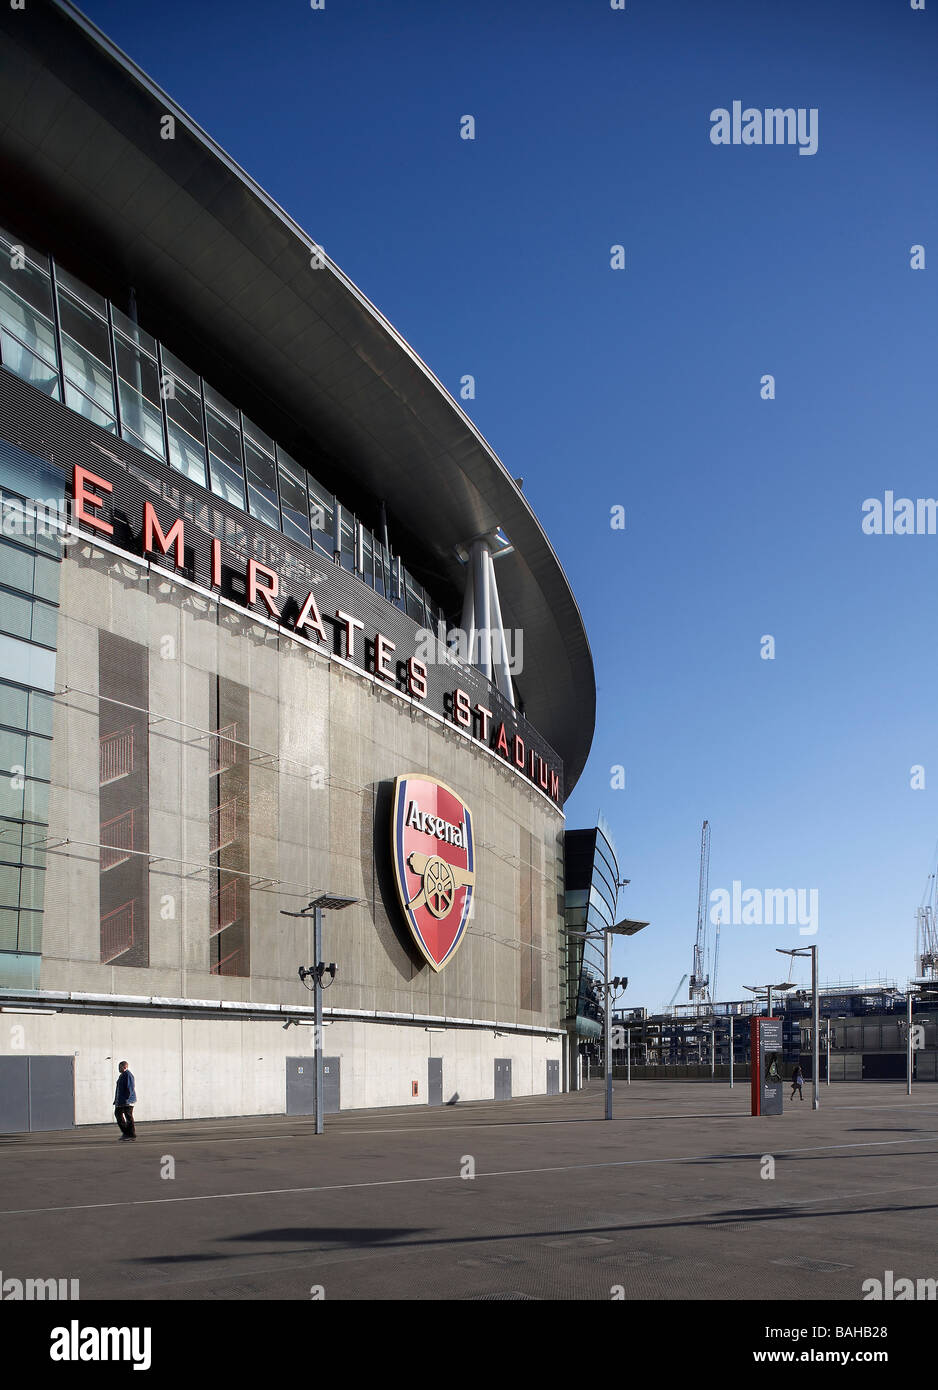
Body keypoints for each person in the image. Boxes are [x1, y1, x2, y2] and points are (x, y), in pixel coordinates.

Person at [114, 1060, 137, 1140]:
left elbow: (130, 1088)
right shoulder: (122, 1075)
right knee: (118, 1114)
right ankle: (126, 1133)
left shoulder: (128, 1075)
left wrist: (127, 1099)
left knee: (128, 1117)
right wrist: (116, 1100)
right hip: (121, 1101)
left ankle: (131, 1135)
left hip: (127, 1101)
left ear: (124, 1067)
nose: (118, 1069)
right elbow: (119, 1089)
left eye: (119, 1067)